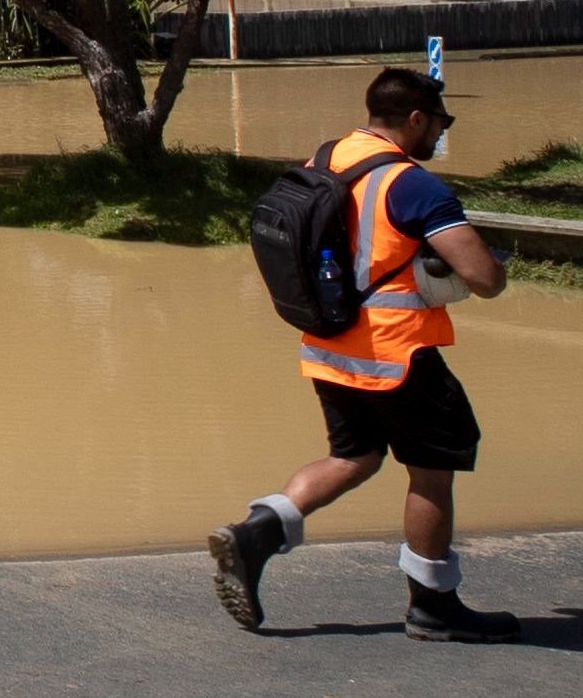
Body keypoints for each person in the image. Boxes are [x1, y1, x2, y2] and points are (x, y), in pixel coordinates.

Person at [207, 69, 518, 642]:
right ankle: (433, 606)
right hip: (399, 353)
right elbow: (482, 277)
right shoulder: (411, 183)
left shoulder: (326, 158)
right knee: (431, 472)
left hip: (329, 346)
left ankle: (255, 534)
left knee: (355, 457)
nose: (439, 135)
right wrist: (492, 268)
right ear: (417, 119)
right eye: (441, 123)